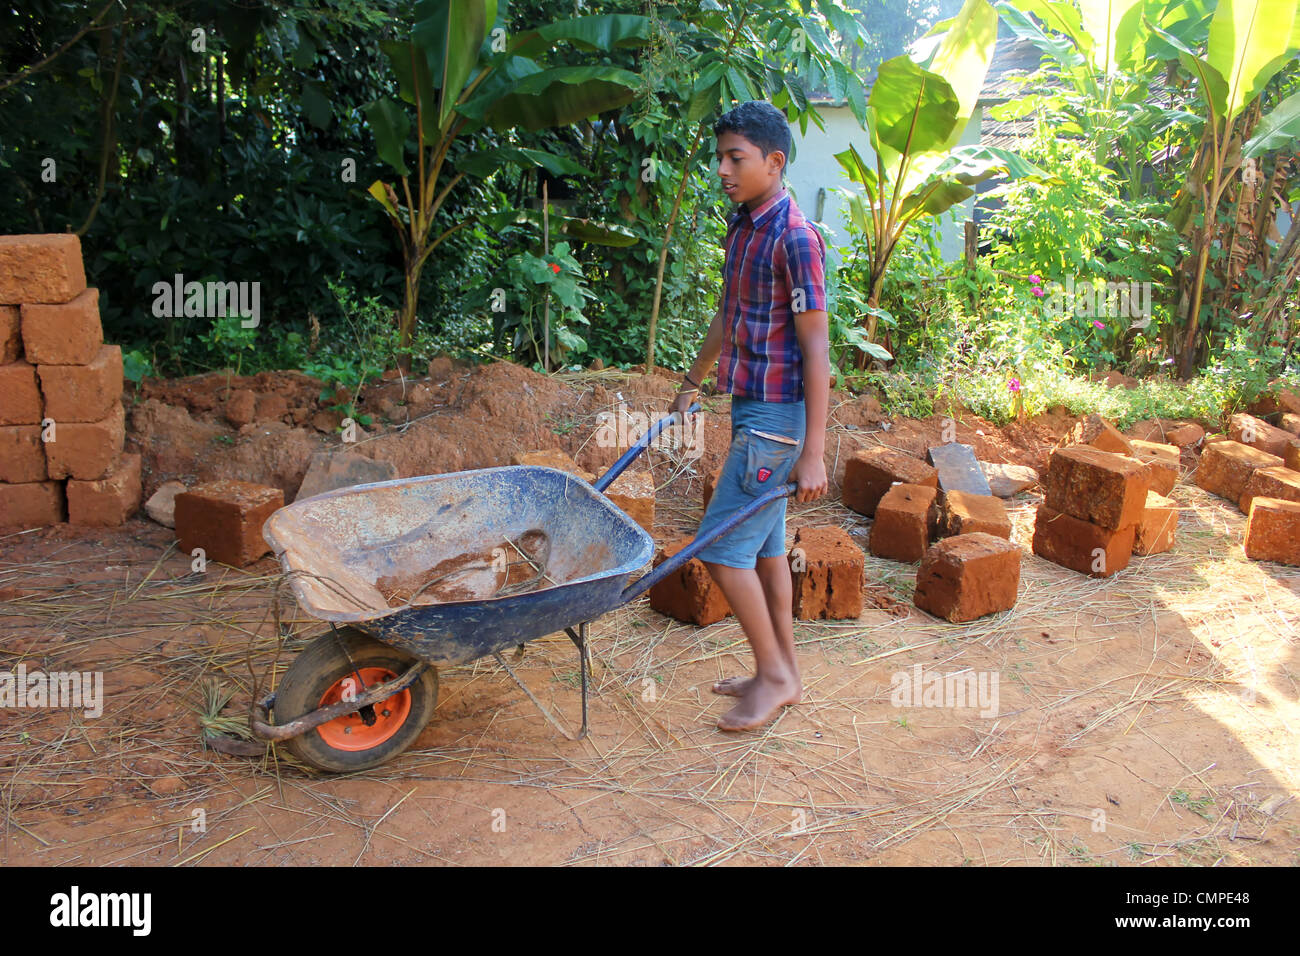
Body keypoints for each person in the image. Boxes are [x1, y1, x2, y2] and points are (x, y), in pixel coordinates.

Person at [669, 100, 831, 732]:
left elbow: (818, 351)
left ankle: (775, 676)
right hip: (749, 410)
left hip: (776, 422)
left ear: (774, 160)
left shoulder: (794, 237)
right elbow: (727, 314)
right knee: (764, 553)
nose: (723, 170)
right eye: (720, 158)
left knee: (720, 552)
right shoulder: (744, 226)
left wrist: (813, 451)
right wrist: (691, 382)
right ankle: (781, 669)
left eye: (736, 158)